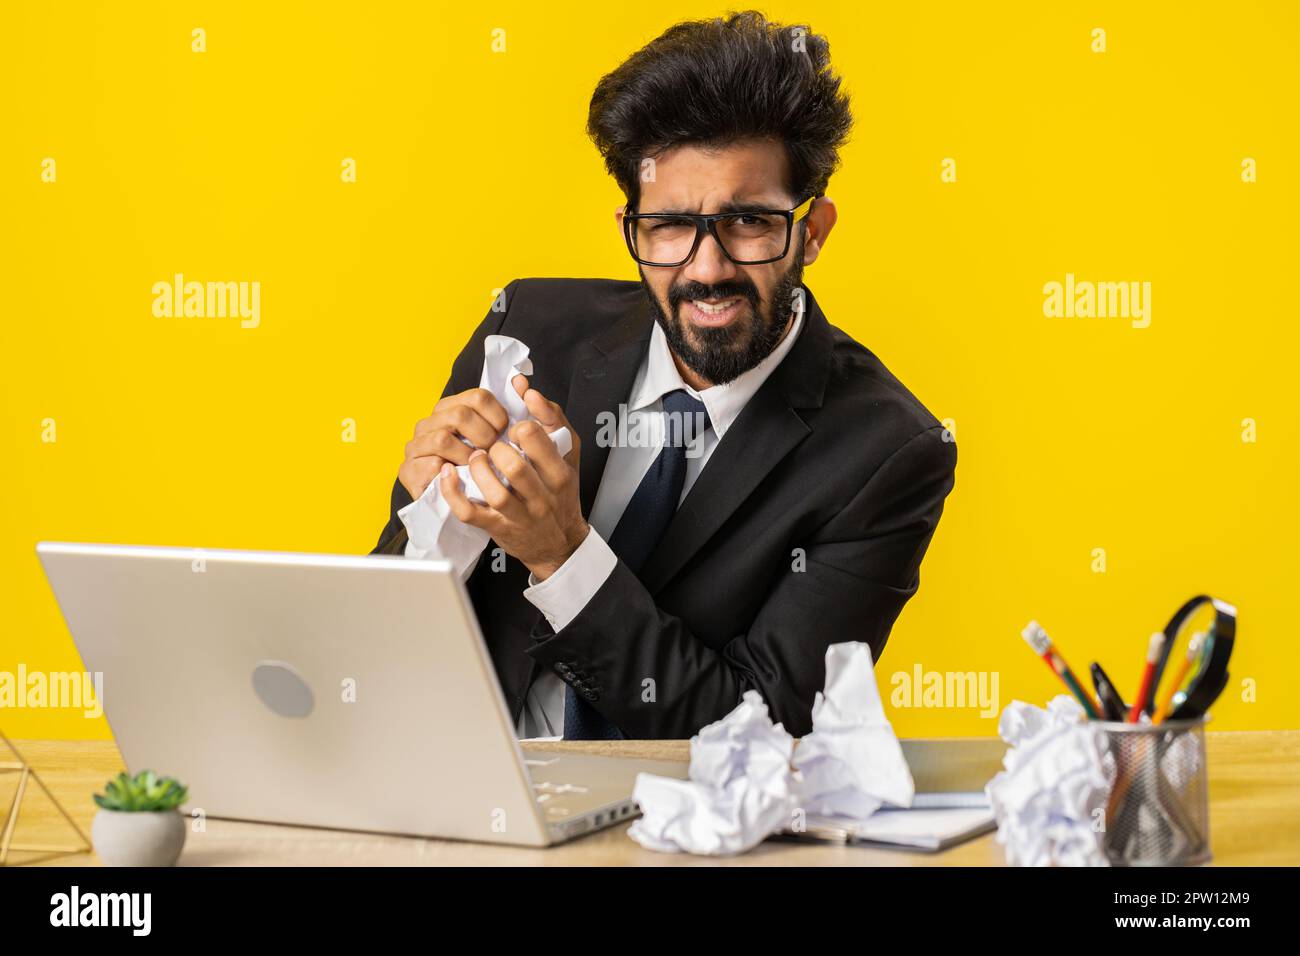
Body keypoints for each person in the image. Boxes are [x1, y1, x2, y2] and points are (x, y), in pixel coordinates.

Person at [372, 11, 956, 740]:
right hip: (459, 797)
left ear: (813, 231)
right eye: (671, 227)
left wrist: (562, 555)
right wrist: (433, 528)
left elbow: (760, 735)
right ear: (629, 228)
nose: (707, 270)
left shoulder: (886, 454)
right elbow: (379, 646)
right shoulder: (527, 328)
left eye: (749, 223)